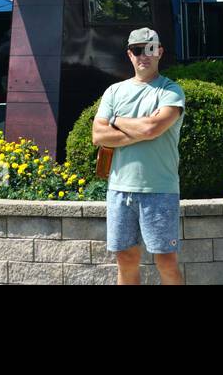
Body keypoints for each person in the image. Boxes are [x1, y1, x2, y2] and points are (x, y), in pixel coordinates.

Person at [91, 28, 186, 286]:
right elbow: (98, 135)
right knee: (125, 260)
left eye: (150, 48)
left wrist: (117, 120)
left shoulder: (171, 91)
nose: (144, 55)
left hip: (159, 189)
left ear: (160, 52)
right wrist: (142, 131)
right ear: (129, 55)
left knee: (166, 262)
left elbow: (152, 129)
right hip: (120, 190)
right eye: (137, 50)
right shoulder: (114, 91)